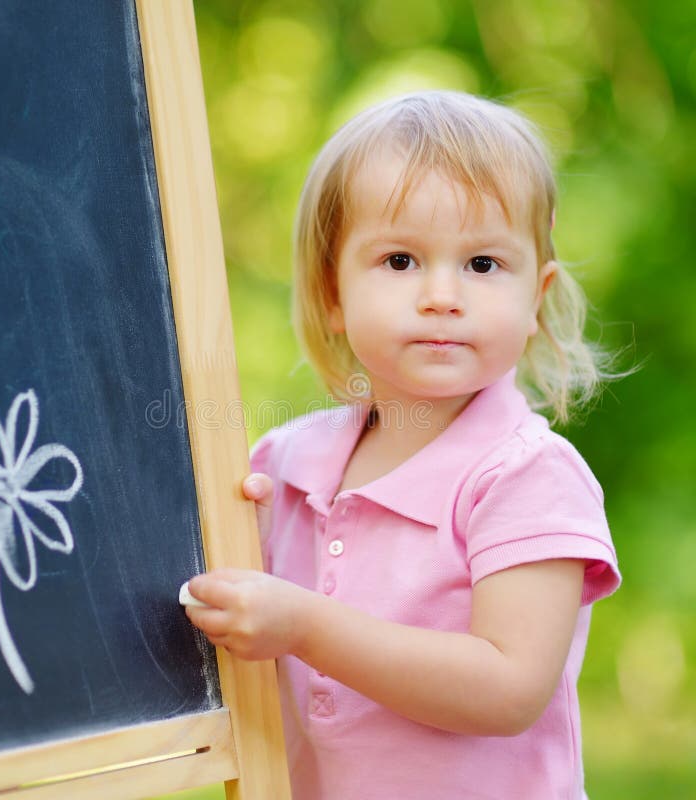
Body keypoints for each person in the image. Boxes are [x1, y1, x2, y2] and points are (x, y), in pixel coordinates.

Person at [184, 90, 621, 799]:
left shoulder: (527, 477)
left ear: (535, 298)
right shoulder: (284, 468)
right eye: (399, 261)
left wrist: (304, 626)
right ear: (331, 291)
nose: (442, 295)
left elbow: (508, 689)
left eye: (483, 264)